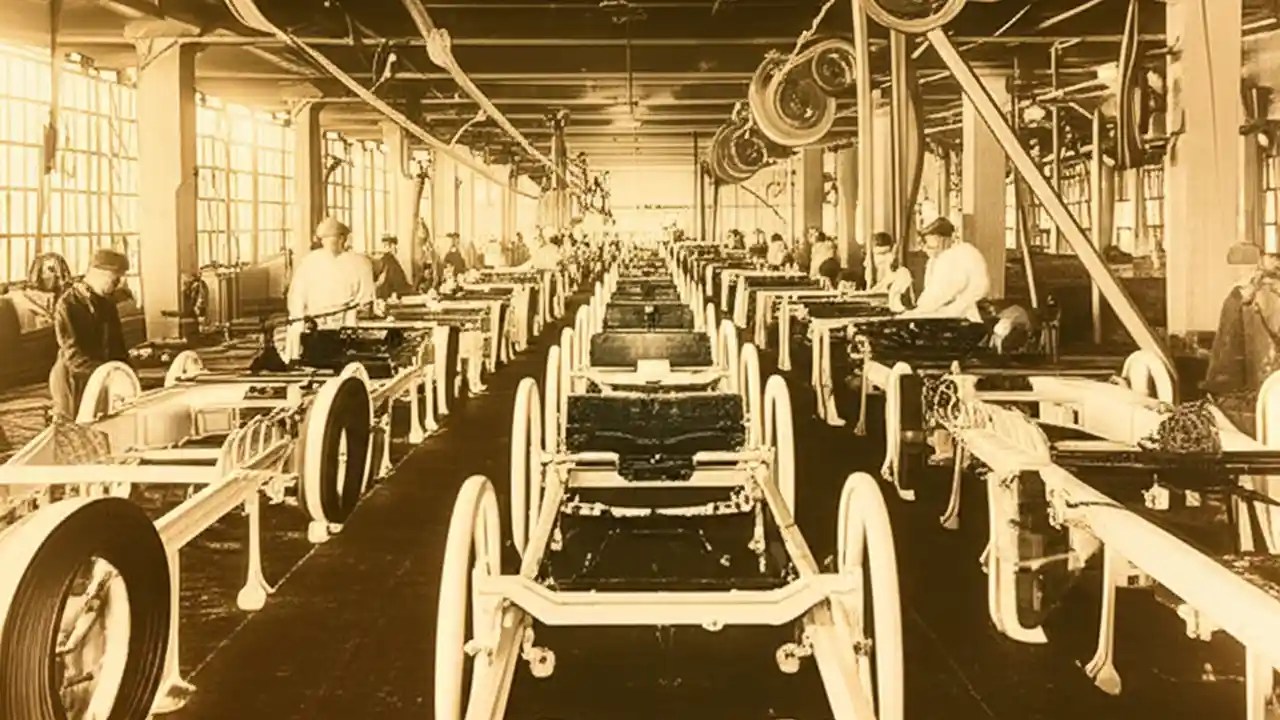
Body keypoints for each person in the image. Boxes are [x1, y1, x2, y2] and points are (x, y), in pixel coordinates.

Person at [49, 249, 131, 421]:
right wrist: (105, 374)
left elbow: (118, 346)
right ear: (99, 273)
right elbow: (73, 356)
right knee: (76, 425)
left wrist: (128, 374)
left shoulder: (107, 304)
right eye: (115, 279)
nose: (118, 284)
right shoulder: (68, 304)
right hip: (73, 379)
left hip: (102, 376)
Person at [285, 216, 376, 359]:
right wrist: (300, 321)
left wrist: (355, 315)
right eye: (324, 239)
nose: (327, 242)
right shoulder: (309, 262)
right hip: (315, 327)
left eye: (332, 238)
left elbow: (366, 299)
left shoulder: (360, 263)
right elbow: (296, 296)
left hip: (347, 328)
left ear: (342, 239)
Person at [900, 217, 989, 322]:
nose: (926, 249)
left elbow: (939, 294)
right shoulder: (938, 257)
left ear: (943, 239)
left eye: (930, 246)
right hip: (951, 312)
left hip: (962, 316)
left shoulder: (957, 255)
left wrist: (917, 311)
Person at [867, 232, 915, 310]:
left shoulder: (902, 274)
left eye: (885, 253)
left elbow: (904, 305)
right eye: (878, 255)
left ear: (893, 253)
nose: (882, 259)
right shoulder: (874, 277)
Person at [373, 235, 413, 299]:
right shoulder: (389, 261)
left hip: (390, 294)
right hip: (392, 294)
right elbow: (398, 282)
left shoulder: (389, 260)